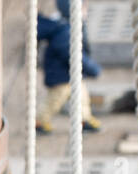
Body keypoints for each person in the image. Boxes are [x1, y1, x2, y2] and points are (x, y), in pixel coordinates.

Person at [37, 0, 102, 134]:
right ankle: (39, 121)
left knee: (82, 97)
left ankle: (84, 119)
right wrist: (92, 69)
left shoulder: (69, 26)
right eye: (84, 8)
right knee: (54, 101)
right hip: (61, 76)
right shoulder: (65, 32)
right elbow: (74, 55)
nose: (86, 11)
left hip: (70, 75)